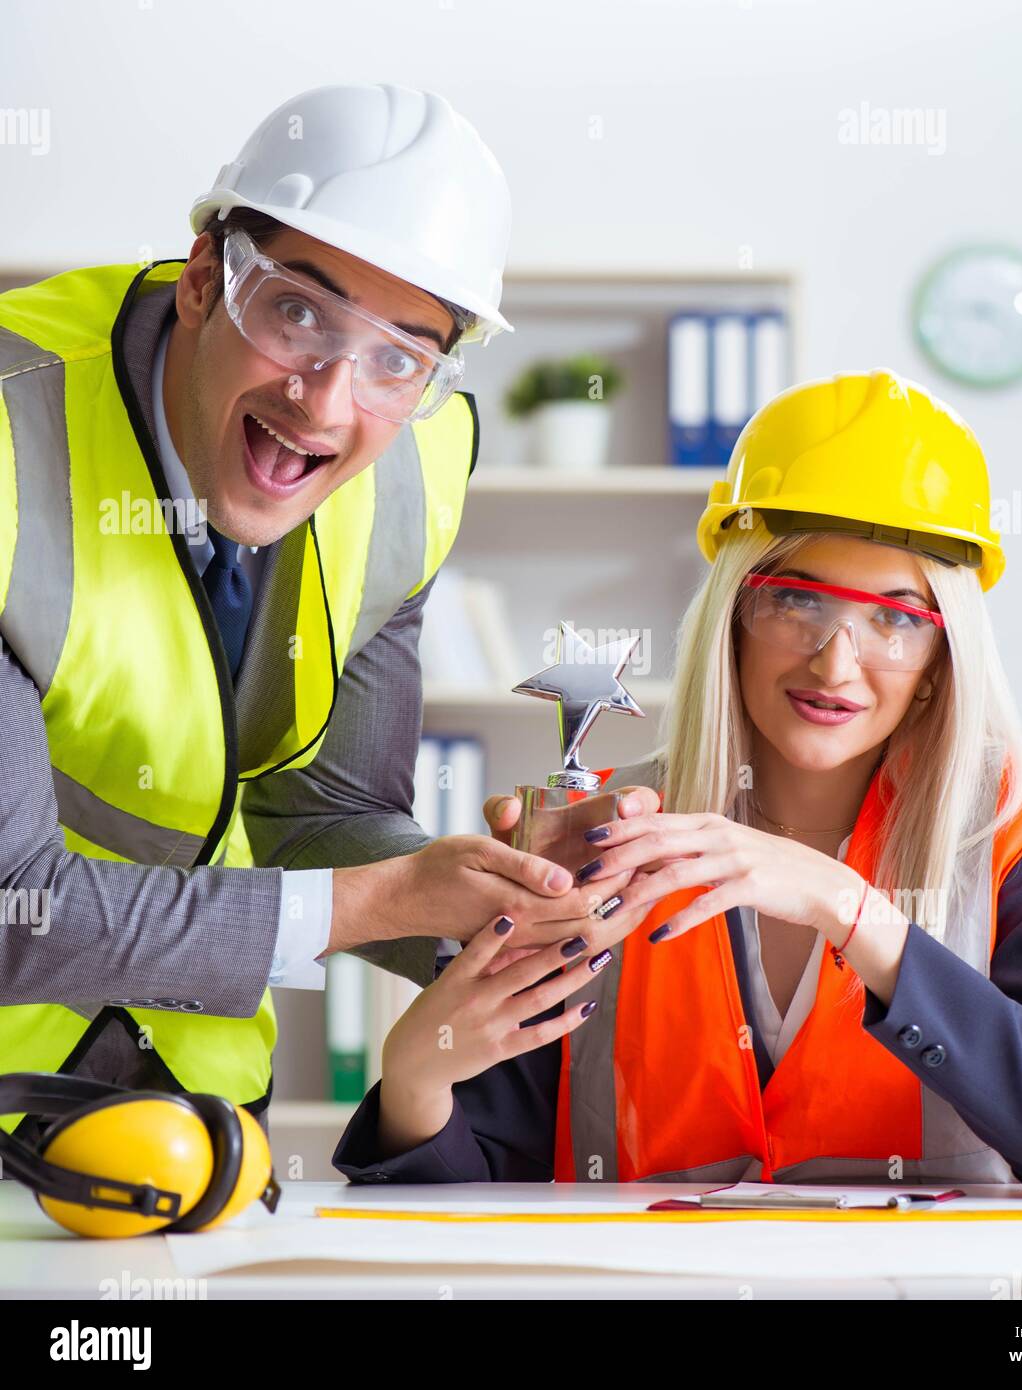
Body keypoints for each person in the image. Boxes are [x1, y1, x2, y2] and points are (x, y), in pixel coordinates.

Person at [0, 82, 658, 1144]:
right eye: (297, 311)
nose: (328, 398)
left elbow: (317, 816)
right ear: (206, 280)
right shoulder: (7, 439)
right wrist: (381, 902)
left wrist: (512, 898)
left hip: (194, 1118)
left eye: (400, 355)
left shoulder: (412, 477)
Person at [333, 370, 1022, 1199]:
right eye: (796, 600)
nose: (835, 662)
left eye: (896, 617)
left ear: (941, 659)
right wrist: (415, 1081)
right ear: (731, 622)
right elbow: (486, 1178)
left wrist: (847, 906)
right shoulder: (606, 832)